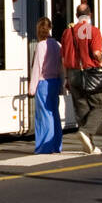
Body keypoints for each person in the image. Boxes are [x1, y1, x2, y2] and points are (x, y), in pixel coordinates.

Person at [60, 5, 102, 155]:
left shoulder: (68, 32)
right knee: (99, 105)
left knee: (82, 109)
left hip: (73, 74)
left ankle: (90, 145)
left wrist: (67, 77)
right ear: (90, 15)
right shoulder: (93, 31)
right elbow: (96, 52)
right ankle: (86, 132)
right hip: (90, 72)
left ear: (76, 15)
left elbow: (63, 58)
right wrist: (101, 61)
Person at [29, 17, 63, 154]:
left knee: (44, 116)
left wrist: (32, 88)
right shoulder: (57, 44)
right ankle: (56, 145)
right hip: (55, 81)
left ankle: (44, 146)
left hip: (43, 83)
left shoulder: (41, 46)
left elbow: (37, 67)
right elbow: (62, 66)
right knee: (54, 114)